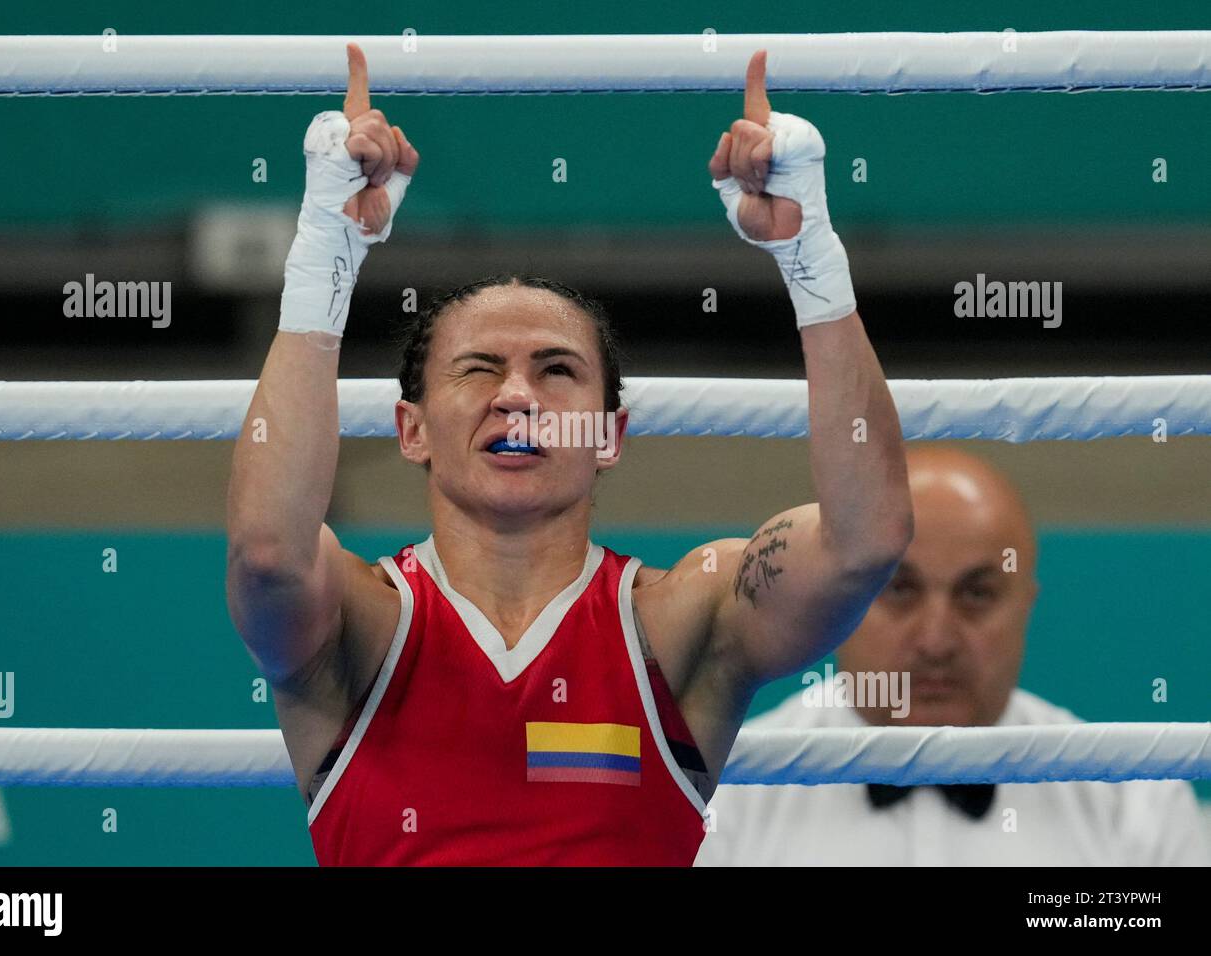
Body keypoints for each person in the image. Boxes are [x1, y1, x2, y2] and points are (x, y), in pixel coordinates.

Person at [225, 44, 913, 865]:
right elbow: (268, 553)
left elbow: (864, 541)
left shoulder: (681, 620)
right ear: (411, 431)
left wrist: (812, 259)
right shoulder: (362, 622)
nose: (518, 397)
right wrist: (323, 253)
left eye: (556, 371)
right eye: (479, 370)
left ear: (610, 436)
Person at [696, 446, 1210, 866]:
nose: (937, 640)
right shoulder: (728, 794)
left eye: (977, 594)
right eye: (898, 589)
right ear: (839, 600)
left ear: (1025, 607)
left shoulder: (1135, 803)